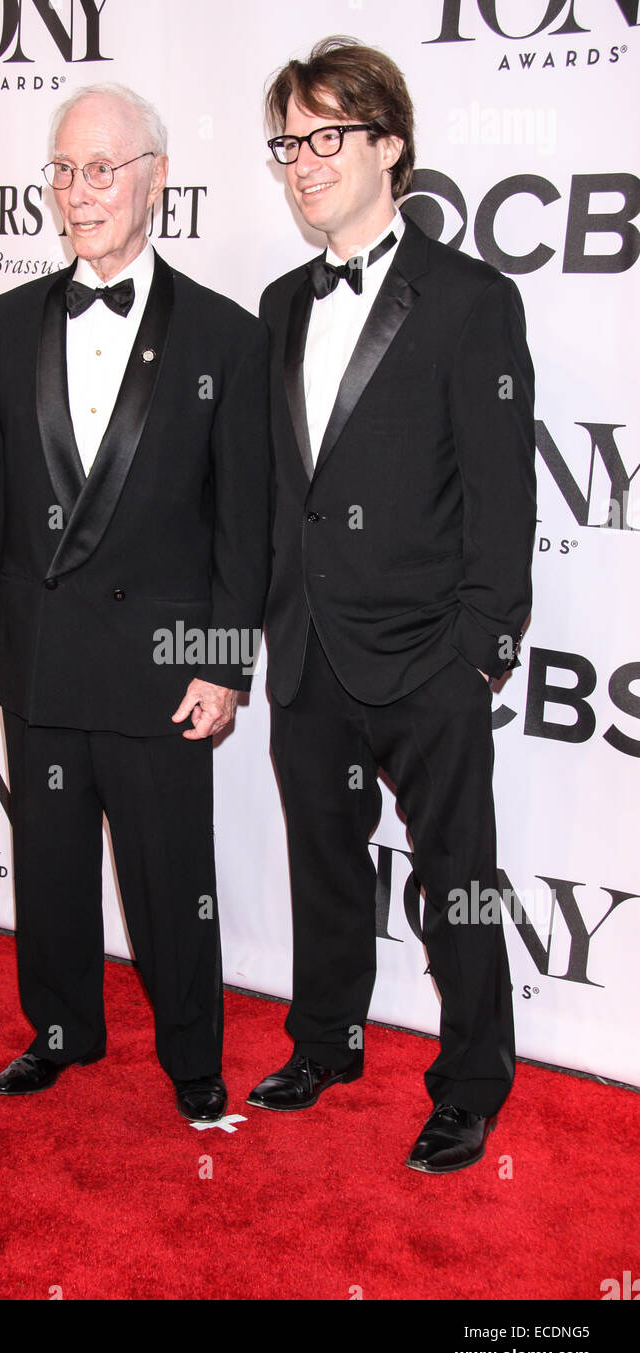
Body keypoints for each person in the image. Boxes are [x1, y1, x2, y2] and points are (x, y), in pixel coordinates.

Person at [0, 83, 270, 1123]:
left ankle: (191, 1059)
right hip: (40, 656)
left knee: (171, 877)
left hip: (161, 664)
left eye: (100, 169)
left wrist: (223, 663)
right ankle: (58, 1031)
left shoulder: (225, 337)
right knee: (46, 868)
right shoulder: (6, 323)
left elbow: (242, 525)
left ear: (156, 179)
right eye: (61, 169)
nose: (76, 194)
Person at [248, 37, 536, 1172]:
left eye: (325, 136)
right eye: (286, 142)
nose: (301, 163)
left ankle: (471, 1080)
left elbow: (501, 494)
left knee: (455, 879)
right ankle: (324, 1039)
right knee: (322, 859)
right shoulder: (275, 305)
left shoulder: (470, 300)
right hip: (308, 650)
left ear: (388, 145)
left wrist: (479, 648)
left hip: (427, 654)